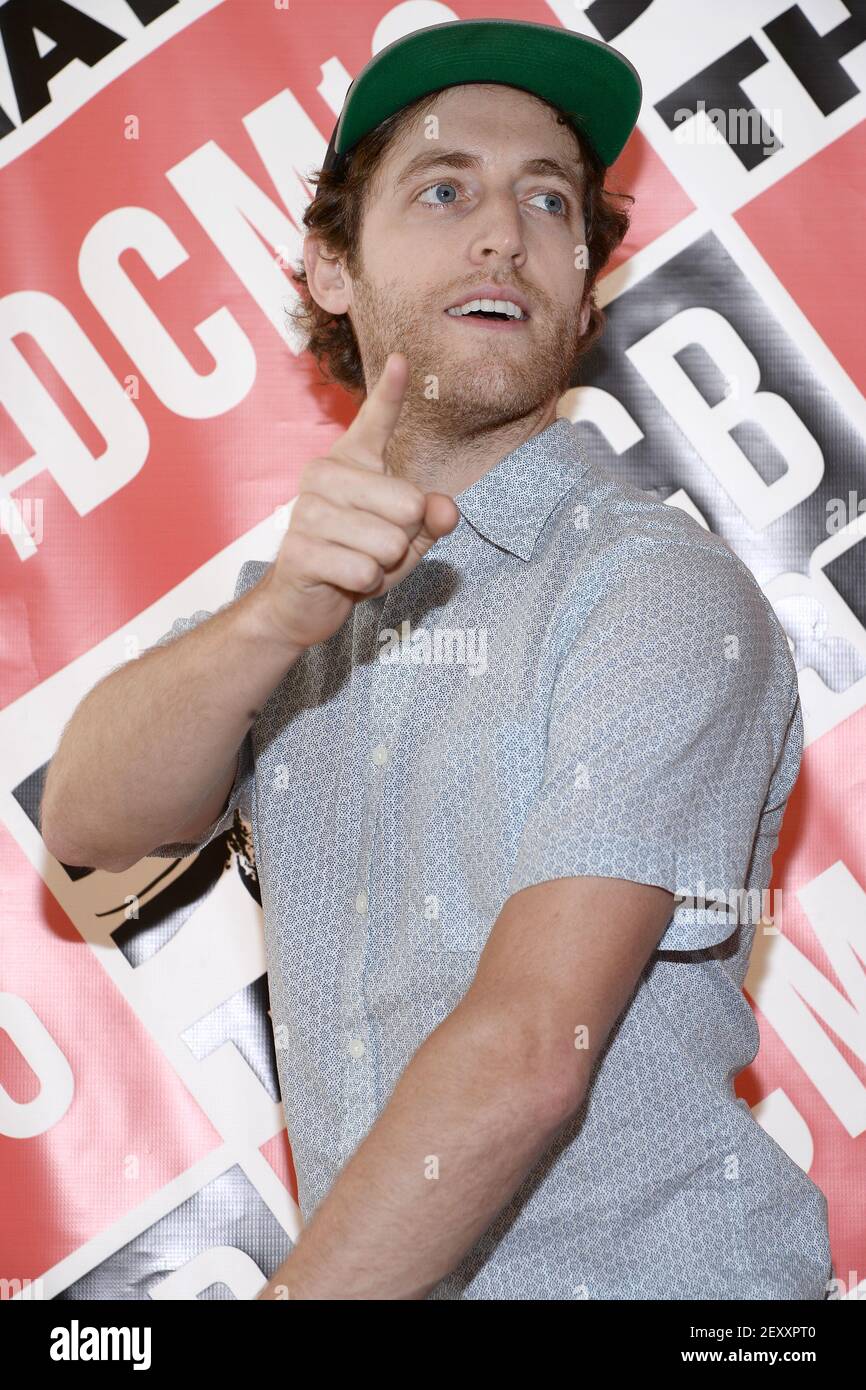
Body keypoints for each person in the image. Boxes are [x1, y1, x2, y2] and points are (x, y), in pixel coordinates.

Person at [41, 18, 832, 1300]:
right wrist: (268, 624)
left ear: (584, 285)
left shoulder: (654, 587)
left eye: (547, 201)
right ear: (332, 269)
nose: (501, 234)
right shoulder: (295, 605)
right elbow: (84, 818)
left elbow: (529, 1047)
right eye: (444, 187)